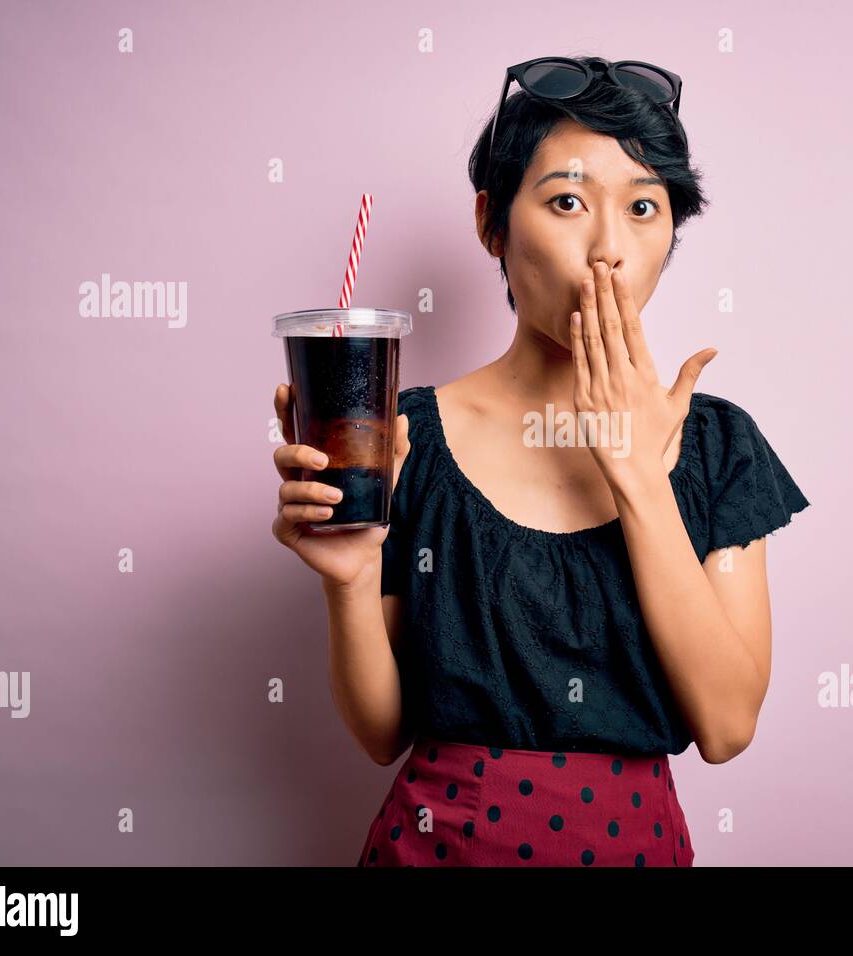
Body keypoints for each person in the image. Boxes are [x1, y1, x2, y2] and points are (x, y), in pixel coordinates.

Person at [271, 55, 810, 867]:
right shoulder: (404, 436)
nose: (608, 251)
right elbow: (383, 735)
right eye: (566, 202)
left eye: (643, 207)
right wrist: (347, 579)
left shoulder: (717, 447)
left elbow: (728, 726)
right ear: (492, 221)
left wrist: (638, 479)